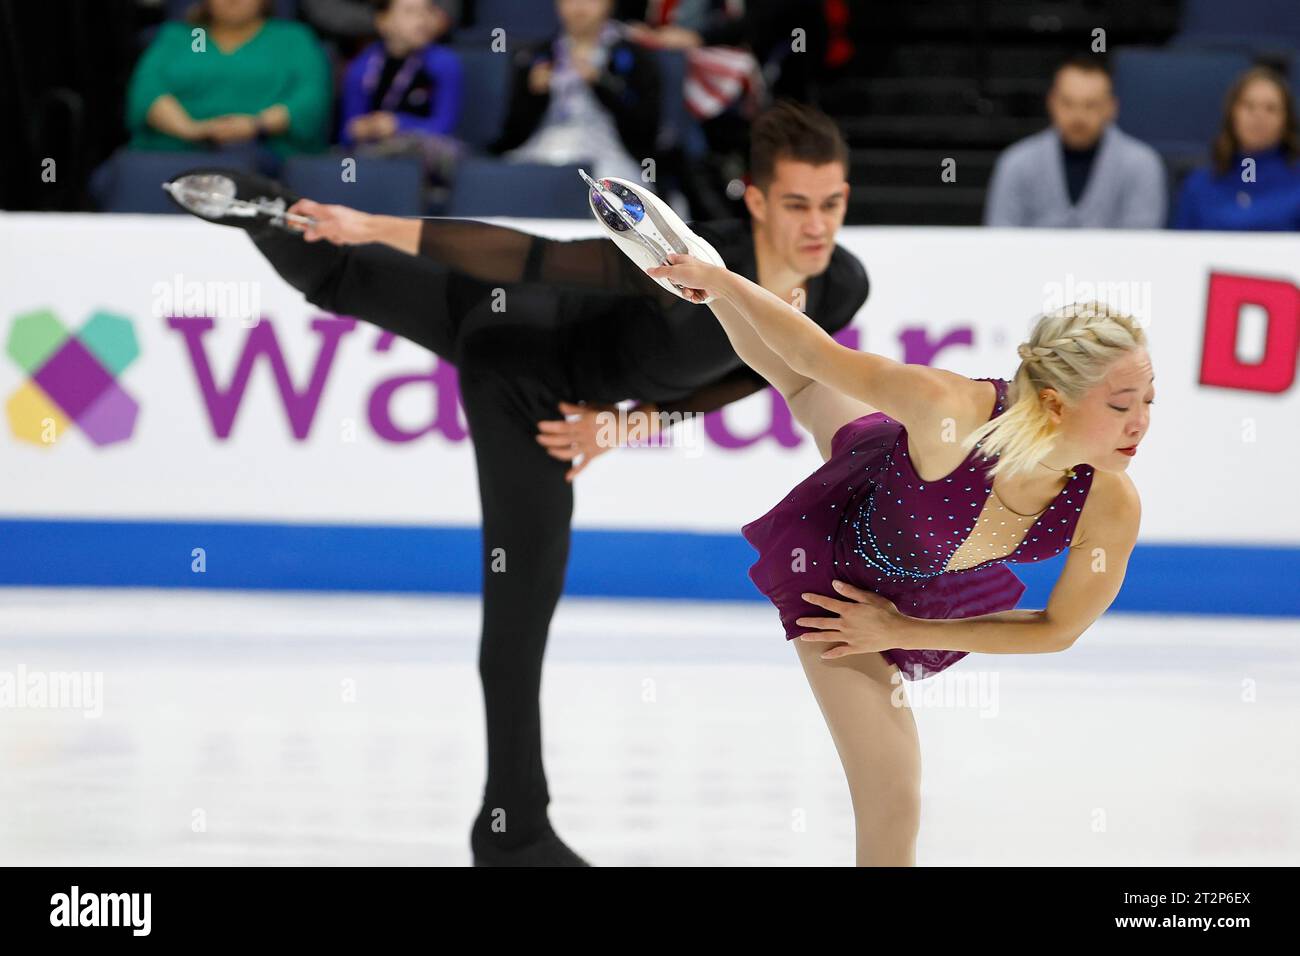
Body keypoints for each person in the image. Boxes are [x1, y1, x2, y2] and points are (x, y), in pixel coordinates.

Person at [171, 101, 869, 865]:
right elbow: (530, 257)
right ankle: (513, 831)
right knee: (524, 594)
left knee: (341, 280)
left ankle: (265, 213)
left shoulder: (838, 288)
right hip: (522, 364)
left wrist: (625, 425)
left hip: (517, 332)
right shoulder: (681, 259)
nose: (817, 226)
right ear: (759, 201)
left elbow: (760, 370)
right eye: (797, 204)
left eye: (831, 204)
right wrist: (374, 223)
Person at [646, 248, 1149, 864]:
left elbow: (1059, 629)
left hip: (926, 583)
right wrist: (721, 282)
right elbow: (816, 358)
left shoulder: (1110, 504)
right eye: (1122, 405)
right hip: (841, 568)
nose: (1142, 422)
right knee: (893, 799)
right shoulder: (948, 410)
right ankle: (713, 276)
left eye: (1150, 399)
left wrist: (905, 628)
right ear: (1053, 404)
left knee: (806, 389)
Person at [124, 0, 331, 169]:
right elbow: (147, 91)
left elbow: (311, 99)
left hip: (265, 154)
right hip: (172, 152)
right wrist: (193, 130)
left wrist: (255, 125)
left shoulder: (293, 38)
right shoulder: (177, 36)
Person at [983, 54, 1166, 228]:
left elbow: (1142, 245)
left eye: (1090, 105)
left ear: (1111, 108)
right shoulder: (1016, 163)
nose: (1078, 116)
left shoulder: (1142, 165)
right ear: (1052, 102)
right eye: (1068, 103)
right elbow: (1000, 240)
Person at [491, 0, 661, 184]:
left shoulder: (632, 56)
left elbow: (646, 128)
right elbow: (512, 132)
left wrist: (601, 84)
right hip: (542, 150)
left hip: (612, 155)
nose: (579, 8)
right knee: (502, 185)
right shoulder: (535, 56)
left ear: (609, 5)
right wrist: (534, 95)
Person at [339, 0, 464, 189]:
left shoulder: (445, 64)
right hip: (373, 151)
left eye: (427, 11)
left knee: (443, 150)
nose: (422, 19)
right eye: (410, 12)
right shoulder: (362, 67)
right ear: (383, 21)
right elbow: (349, 130)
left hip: (423, 150)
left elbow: (444, 125)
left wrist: (397, 124)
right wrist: (365, 127)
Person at [1171, 66, 1300, 232]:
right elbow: (1180, 249)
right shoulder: (1198, 185)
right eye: (1249, 106)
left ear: (1287, 120)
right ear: (1232, 114)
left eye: (1271, 108)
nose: (1259, 116)